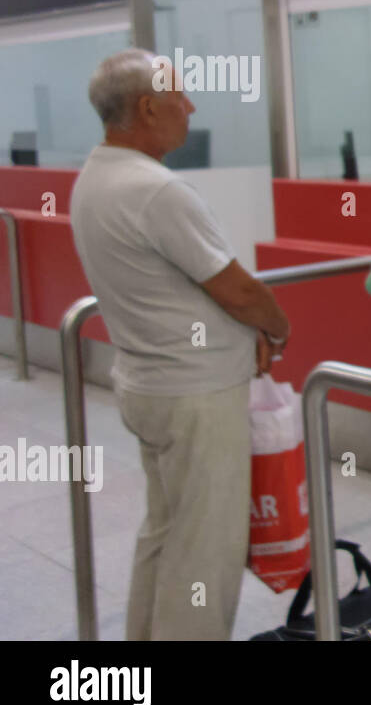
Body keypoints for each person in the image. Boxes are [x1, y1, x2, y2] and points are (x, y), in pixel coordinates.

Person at [70, 49, 290, 640]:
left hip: (147, 387)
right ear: (147, 107)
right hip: (196, 398)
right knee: (206, 553)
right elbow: (238, 289)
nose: (190, 108)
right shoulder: (156, 190)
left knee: (165, 534)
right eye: (180, 97)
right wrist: (276, 327)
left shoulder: (95, 175)